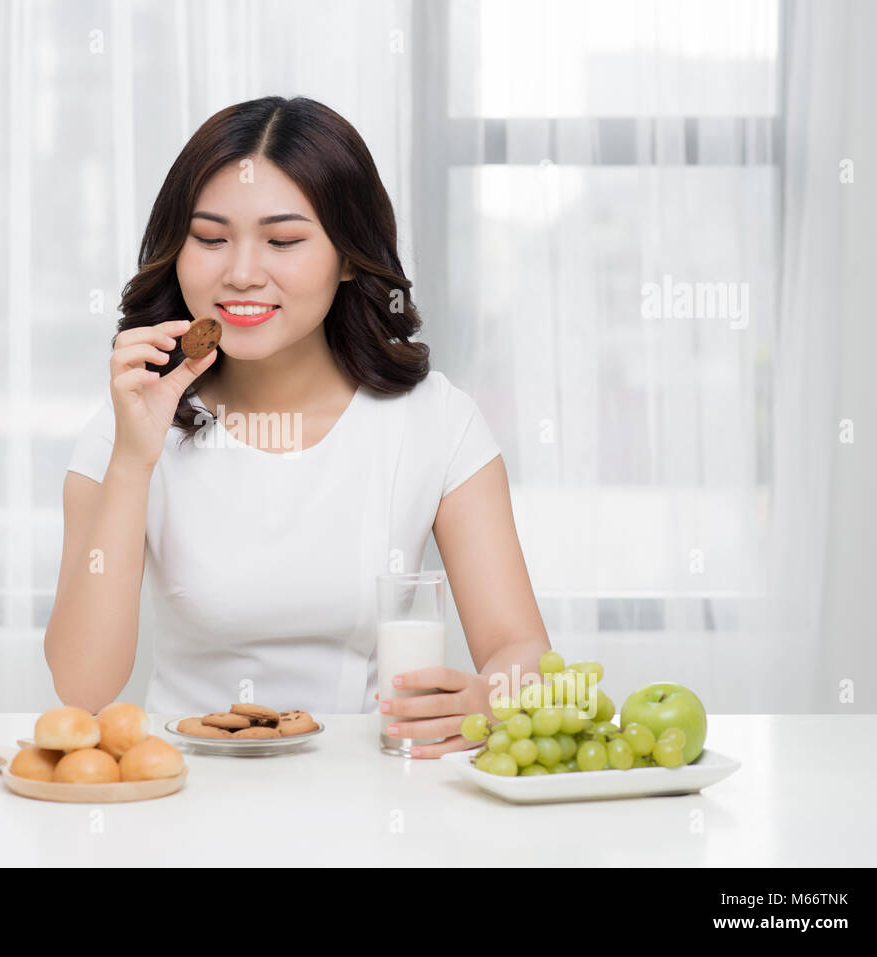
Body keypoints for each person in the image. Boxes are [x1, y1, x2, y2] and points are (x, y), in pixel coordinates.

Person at [45, 96, 549, 757]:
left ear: (347, 256)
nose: (243, 272)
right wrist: (134, 460)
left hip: (373, 795)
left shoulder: (435, 421)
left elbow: (520, 646)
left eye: (283, 240)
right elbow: (82, 688)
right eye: (210, 238)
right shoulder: (128, 427)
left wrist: (492, 695)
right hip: (185, 796)